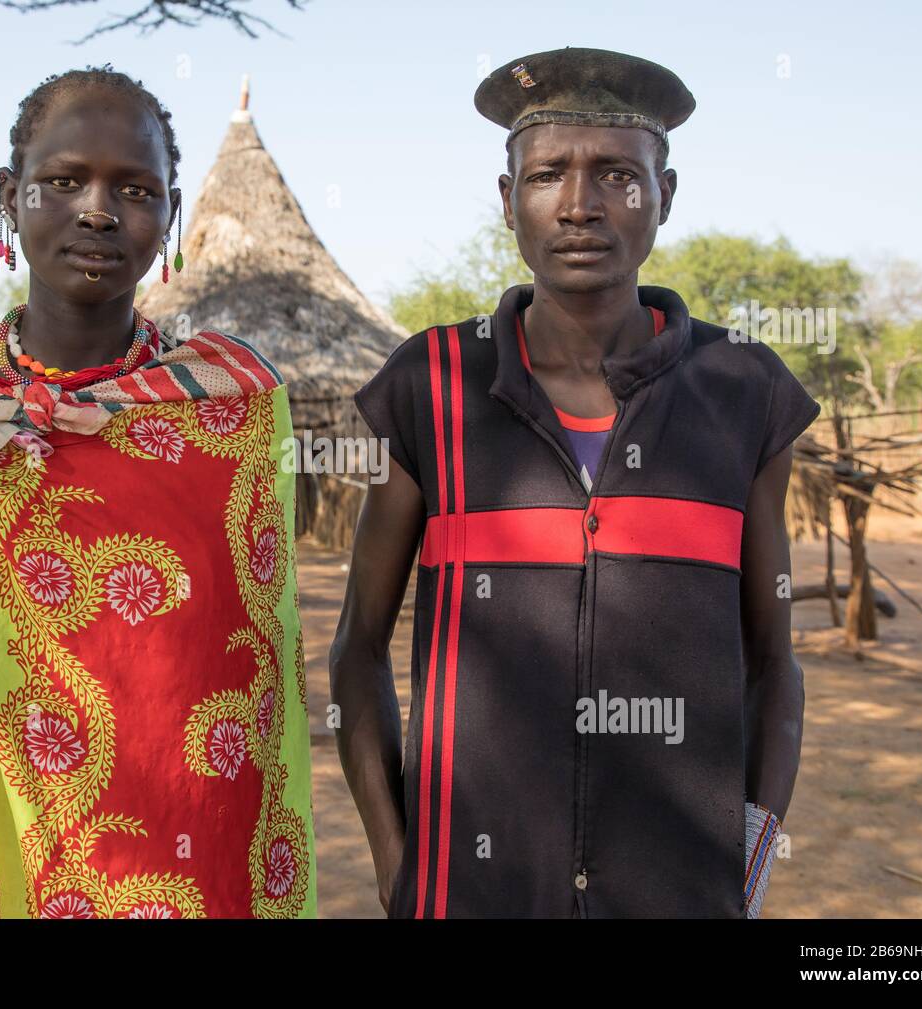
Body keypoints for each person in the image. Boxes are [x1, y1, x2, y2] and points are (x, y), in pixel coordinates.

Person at [0, 66, 315, 919]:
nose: (99, 210)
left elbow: (246, 689)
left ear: (169, 215)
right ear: (10, 195)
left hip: (161, 862)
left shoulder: (225, 413)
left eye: (135, 189)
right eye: (65, 180)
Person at [330, 48, 817, 918]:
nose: (583, 204)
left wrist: (746, 854)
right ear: (508, 197)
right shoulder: (430, 383)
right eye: (549, 173)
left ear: (666, 195)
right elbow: (358, 648)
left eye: (619, 176)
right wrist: (397, 863)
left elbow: (773, 661)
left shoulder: (746, 388)